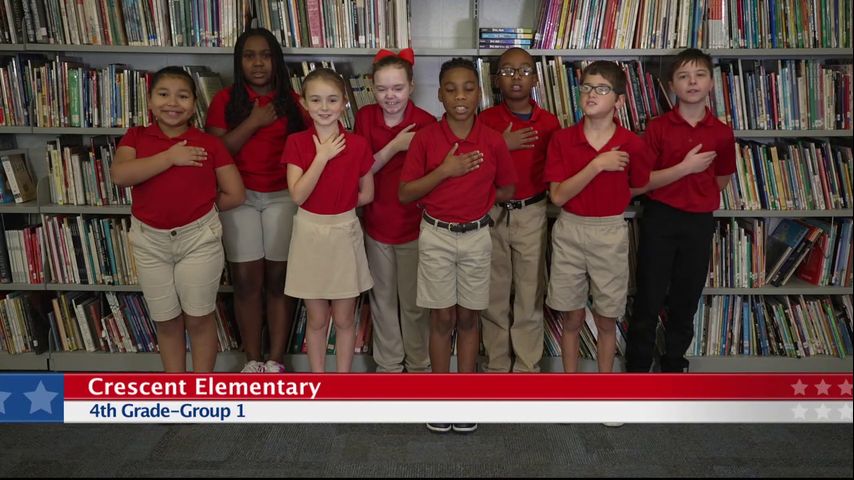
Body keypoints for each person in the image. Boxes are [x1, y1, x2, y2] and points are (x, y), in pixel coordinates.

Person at [399, 58, 516, 434]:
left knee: (469, 318)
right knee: (442, 318)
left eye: (468, 88)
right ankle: (441, 395)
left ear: (479, 94)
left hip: (477, 237)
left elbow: (508, 189)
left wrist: (481, 201)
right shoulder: (426, 138)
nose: (460, 96)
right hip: (436, 235)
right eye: (450, 89)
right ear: (439, 95)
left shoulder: (493, 140)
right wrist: (444, 172)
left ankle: (464, 397)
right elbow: (405, 193)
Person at [111, 66, 246, 372]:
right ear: (149, 101)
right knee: (167, 319)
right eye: (163, 94)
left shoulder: (209, 144)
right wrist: (169, 157)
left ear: (194, 103)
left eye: (182, 96)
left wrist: (199, 210)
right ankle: (176, 391)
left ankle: (200, 392)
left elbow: (235, 193)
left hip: (198, 238)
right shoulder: (136, 136)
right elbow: (120, 175)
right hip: (149, 242)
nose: (172, 102)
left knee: (199, 317)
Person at [626, 48, 736, 373]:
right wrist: (684, 171)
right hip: (660, 218)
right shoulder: (658, 128)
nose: (692, 82)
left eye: (699, 75)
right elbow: (641, 181)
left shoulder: (721, 132)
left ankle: (674, 363)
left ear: (711, 83)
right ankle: (637, 366)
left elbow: (721, 180)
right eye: (684, 76)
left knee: (686, 298)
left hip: (699, 223)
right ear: (672, 85)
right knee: (649, 296)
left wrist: (694, 195)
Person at [206, 28, 307, 373]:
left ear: (275, 59)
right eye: (250, 56)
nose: (258, 63)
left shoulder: (292, 101)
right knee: (247, 280)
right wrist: (253, 121)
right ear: (239, 61)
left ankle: (275, 361)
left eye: (265, 55)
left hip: (283, 196)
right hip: (240, 198)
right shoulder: (225, 101)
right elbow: (217, 153)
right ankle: (252, 360)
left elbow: (307, 149)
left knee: (280, 280)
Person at [544, 60, 652, 376]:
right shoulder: (563, 139)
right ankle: (571, 389)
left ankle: (606, 391)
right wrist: (597, 165)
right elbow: (558, 196)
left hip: (609, 231)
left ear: (619, 100)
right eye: (587, 87)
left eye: (602, 89)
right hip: (570, 229)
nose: (592, 94)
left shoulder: (632, 143)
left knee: (607, 318)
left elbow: (640, 182)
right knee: (572, 317)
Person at [282, 68, 375, 373]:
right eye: (316, 100)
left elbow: (367, 194)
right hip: (309, 233)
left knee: (345, 318)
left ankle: (342, 382)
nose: (324, 107)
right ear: (304, 103)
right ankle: (319, 381)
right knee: (317, 318)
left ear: (344, 103)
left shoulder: (358, 144)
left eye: (332, 100)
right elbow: (297, 195)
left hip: (344, 231)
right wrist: (321, 157)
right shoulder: (297, 143)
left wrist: (340, 206)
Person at [478, 47, 561, 373]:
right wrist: (501, 144)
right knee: (495, 295)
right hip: (493, 214)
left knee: (529, 293)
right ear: (497, 79)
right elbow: (475, 167)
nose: (516, 77)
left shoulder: (549, 122)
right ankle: (497, 367)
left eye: (524, 70)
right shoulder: (485, 121)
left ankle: (527, 368)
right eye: (508, 70)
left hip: (531, 214)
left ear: (536, 78)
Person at [354, 48, 436, 373]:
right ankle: (388, 367)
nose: (390, 96)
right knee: (383, 301)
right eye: (382, 88)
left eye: (398, 88)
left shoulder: (427, 123)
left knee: (416, 304)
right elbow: (360, 172)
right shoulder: (364, 118)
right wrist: (393, 147)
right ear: (372, 87)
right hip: (376, 223)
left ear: (412, 87)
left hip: (415, 226)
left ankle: (419, 366)